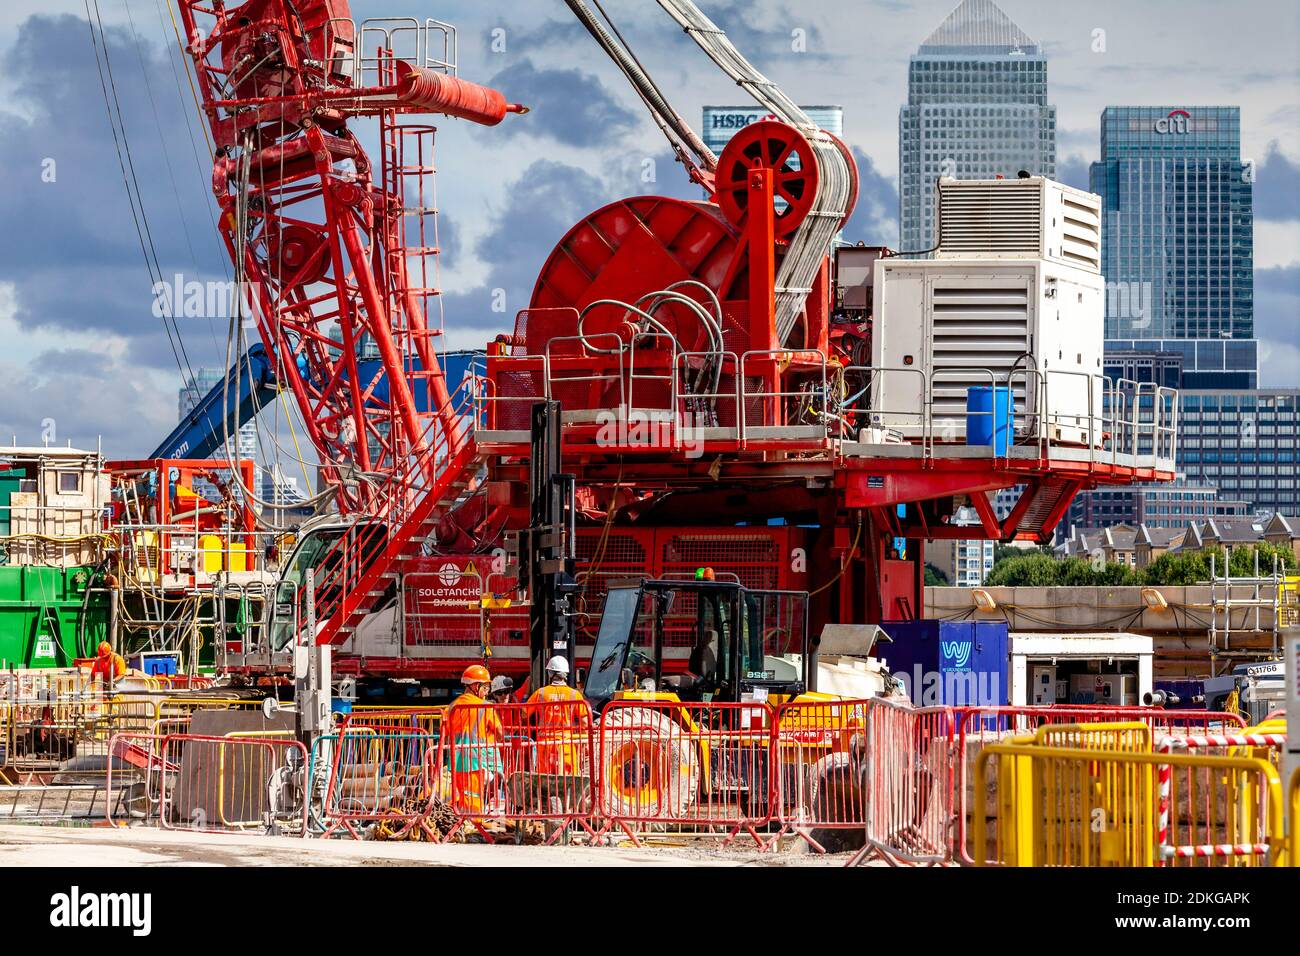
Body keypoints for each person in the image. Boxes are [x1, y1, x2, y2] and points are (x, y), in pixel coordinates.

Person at [446, 664, 504, 812]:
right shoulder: (484, 706)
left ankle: (462, 826)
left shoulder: (453, 706)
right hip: (474, 761)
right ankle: (474, 829)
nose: (486, 692)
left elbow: (444, 731)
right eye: (485, 687)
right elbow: (498, 731)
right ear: (475, 686)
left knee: (460, 798)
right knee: (473, 798)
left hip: (455, 761)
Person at [525, 656, 587, 775]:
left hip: (545, 745)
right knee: (569, 782)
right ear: (566, 674)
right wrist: (584, 743)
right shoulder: (575, 694)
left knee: (546, 781)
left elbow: (524, 713)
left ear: (550, 673)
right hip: (567, 744)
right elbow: (584, 721)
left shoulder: (541, 693)